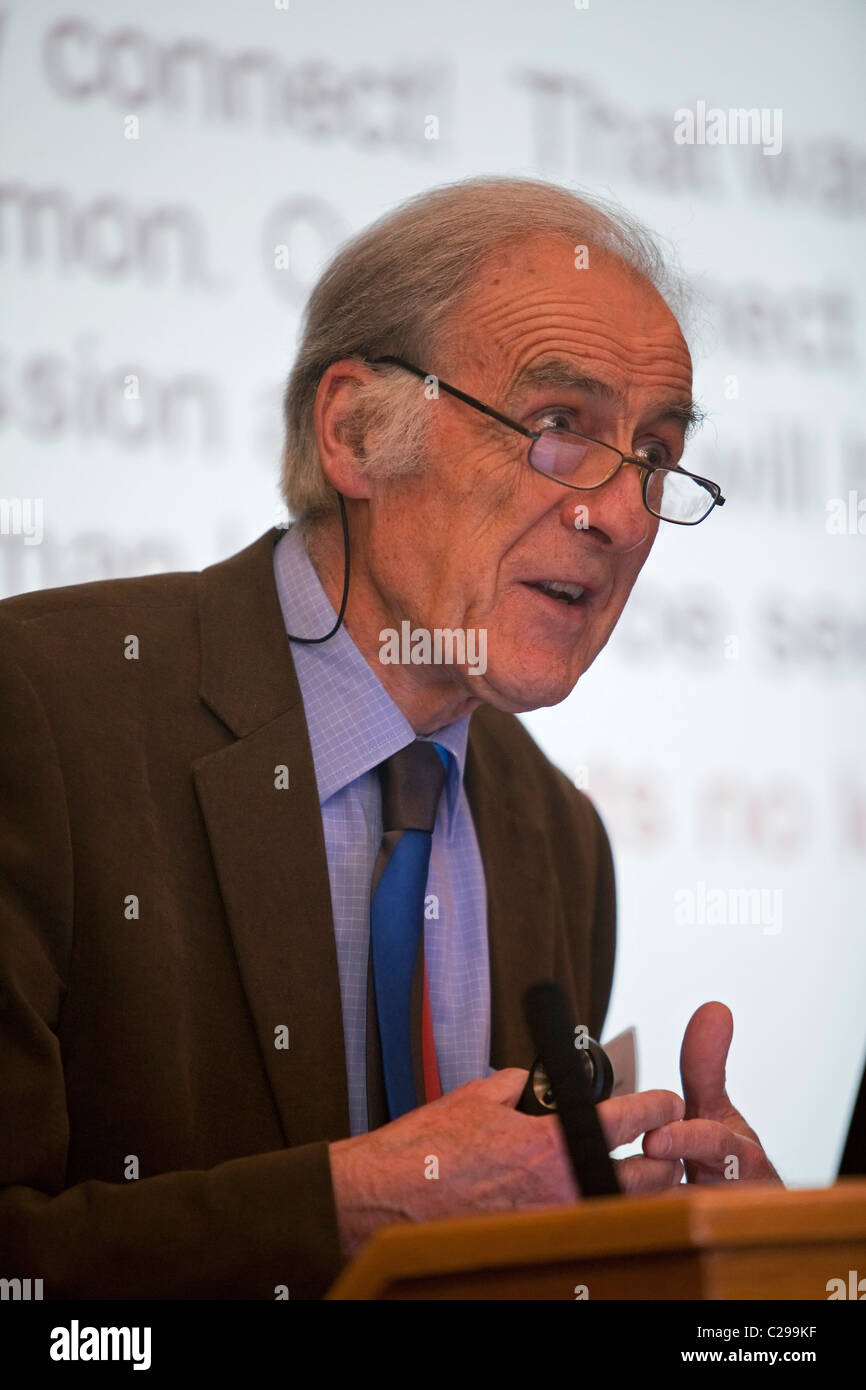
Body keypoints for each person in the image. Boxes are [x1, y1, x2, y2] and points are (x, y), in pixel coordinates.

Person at [0, 176, 779, 1301]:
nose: (619, 514)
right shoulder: (40, 710)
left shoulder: (558, 836)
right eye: (559, 428)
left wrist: (693, 1271)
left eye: (654, 456)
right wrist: (345, 1208)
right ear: (356, 430)